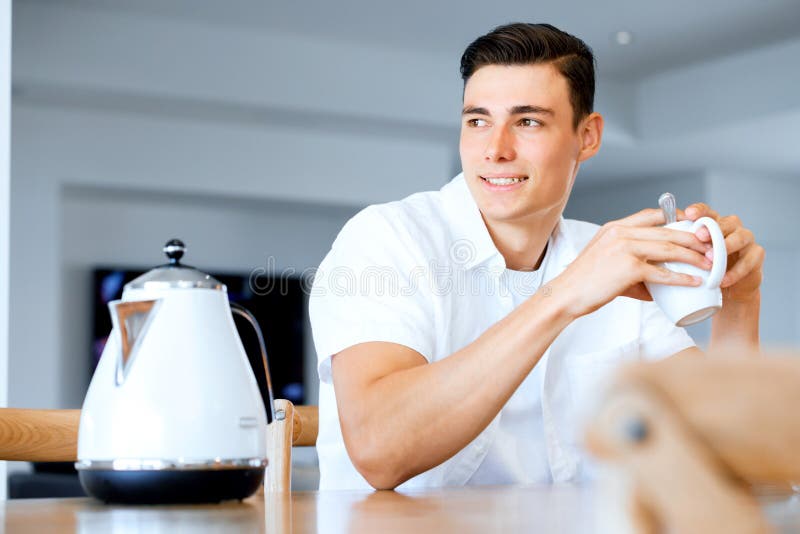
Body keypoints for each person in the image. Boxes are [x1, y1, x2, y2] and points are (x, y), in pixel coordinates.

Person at [309, 22, 764, 491]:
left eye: (527, 121)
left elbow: (729, 460)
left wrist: (740, 302)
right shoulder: (385, 239)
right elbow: (379, 447)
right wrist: (565, 293)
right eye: (477, 120)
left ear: (586, 137)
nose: (495, 149)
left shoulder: (613, 258)